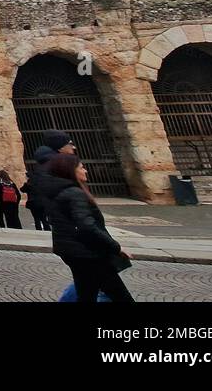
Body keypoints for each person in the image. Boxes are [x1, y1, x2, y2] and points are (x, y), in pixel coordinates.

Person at [43, 153, 134, 303]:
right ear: (70, 171)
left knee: (86, 296)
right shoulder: (75, 194)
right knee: (122, 298)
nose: (85, 170)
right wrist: (116, 248)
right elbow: (87, 226)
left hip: (72, 252)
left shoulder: (57, 192)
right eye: (82, 167)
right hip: (89, 254)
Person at [26, 130, 74, 232]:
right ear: (60, 147)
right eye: (70, 144)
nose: (74, 147)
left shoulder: (47, 164)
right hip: (63, 213)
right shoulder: (55, 165)